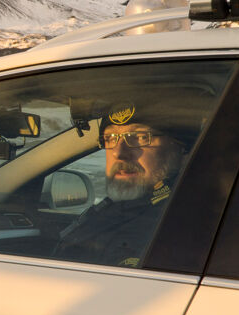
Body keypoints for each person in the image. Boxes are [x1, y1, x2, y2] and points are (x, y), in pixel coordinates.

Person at [54, 101, 188, 267]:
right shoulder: (123, 209)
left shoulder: (177, 227)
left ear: (180, 149)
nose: (118, 152)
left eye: (139, 137)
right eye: (110, 138)